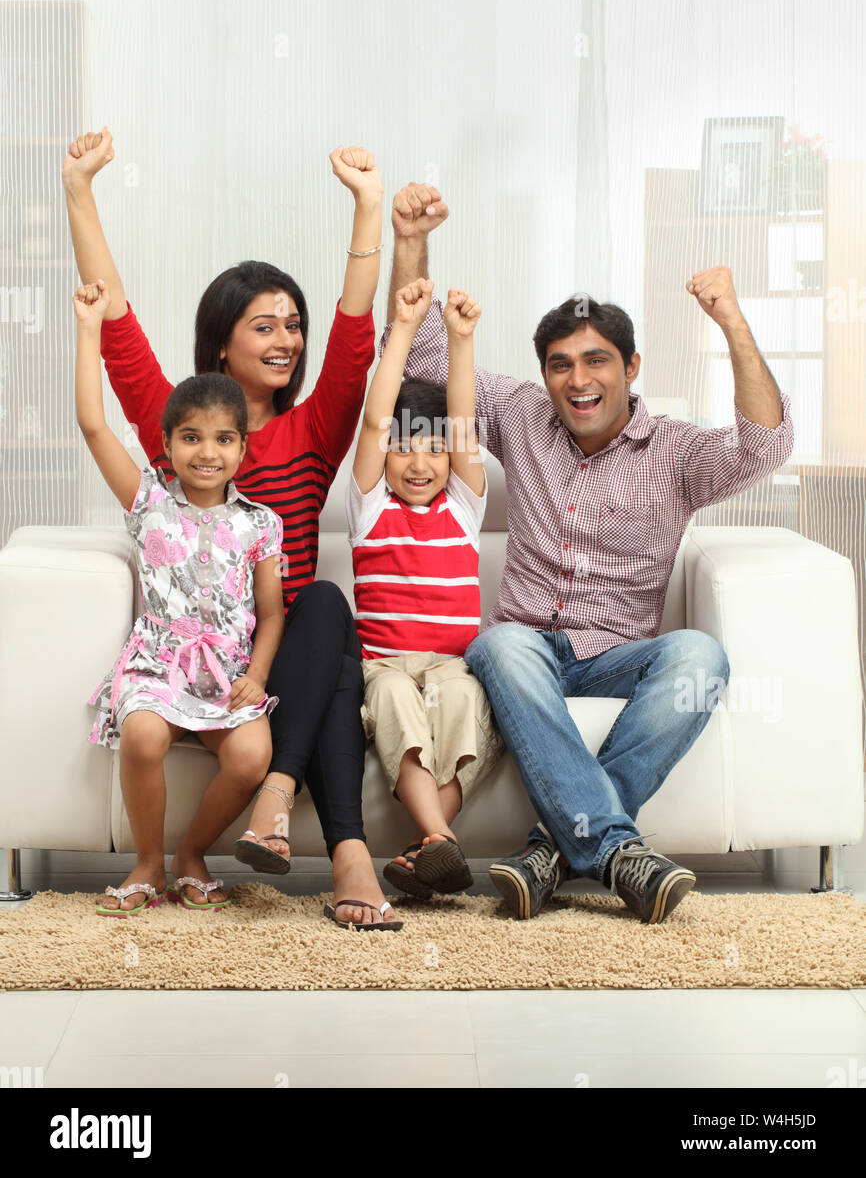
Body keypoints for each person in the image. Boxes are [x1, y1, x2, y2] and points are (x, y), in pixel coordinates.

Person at [379, 181, 794, 924]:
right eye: (561, 364)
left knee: (701, 658)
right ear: (544, 375)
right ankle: (615, 851)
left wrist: (731, 319)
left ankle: (554, 849)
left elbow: (765, 446)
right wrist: (411, 239)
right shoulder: (520, 413)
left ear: (631, 368)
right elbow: (426, 355)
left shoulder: (676, 452)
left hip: (615, 654)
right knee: (502, 643)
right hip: (526, 649)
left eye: (597, 361)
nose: (579, 380)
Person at [63, 129, 401, 930]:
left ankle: (275, 797)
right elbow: (112, 323)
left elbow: (355, 340)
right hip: (194, 669)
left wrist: (368, 208)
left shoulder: (315, 428)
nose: (288, 339)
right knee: (341, 662)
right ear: (222, 340)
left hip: (271, 661)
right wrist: (80, 192)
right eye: (265, 326)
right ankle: (333, 849)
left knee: (322, 603)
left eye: (293, 325)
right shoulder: (174, 427)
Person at [75, 280, 285, 914]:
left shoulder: (260, 524)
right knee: (142, 736)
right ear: (166, 446)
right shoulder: (149, 504)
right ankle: (147, 863)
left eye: (224, 439)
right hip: (158, 664)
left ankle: (192, 854)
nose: (207, 452)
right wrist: (89, 330)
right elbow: (92, 424)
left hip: (226, 670)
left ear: (243, 451)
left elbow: (272, 614)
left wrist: (256, 674)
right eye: (191, 437)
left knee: (252, 754)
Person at [347, 277, 503, 900]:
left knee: (467, 707)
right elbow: (371, 422)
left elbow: (463, 426)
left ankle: (429, 847)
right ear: (385, 457)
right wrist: (406, 331)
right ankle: (442, 838)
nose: (419, 464)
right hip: (385, 663)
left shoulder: (463, 508)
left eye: (434, 451)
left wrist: (461, 342)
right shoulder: (367, 509)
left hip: (452, 664)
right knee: (391, 703)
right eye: (403, 450)